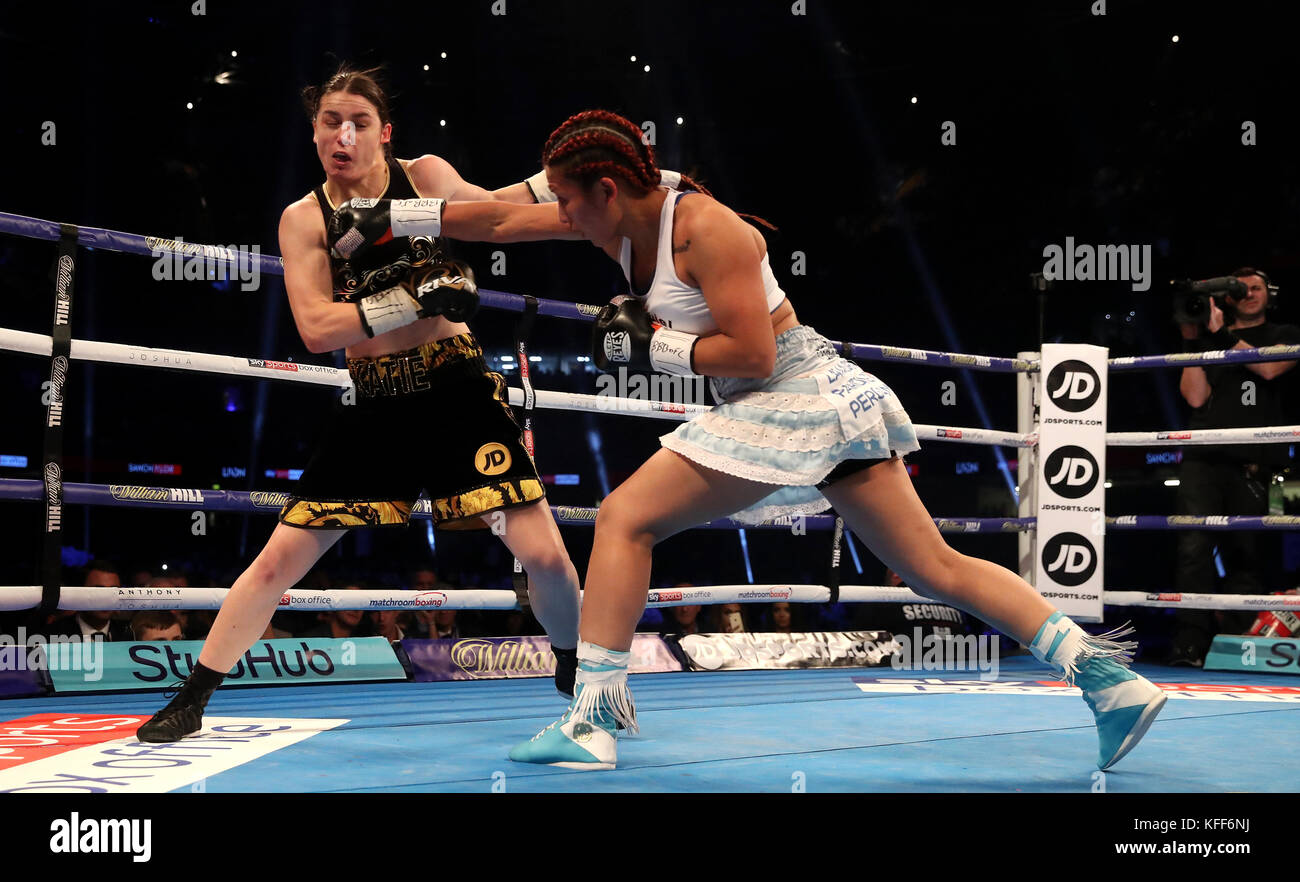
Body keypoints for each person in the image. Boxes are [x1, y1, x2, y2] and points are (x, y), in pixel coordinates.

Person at [423, 109, 1166, 771]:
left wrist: (654, 349)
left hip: (792, 391)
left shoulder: (710, 229)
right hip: (810, 400)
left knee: (624, 518)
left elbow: (755, 356)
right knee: (934, 566)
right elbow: (492, 219)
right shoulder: (618, 214)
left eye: (567, 201)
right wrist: (386, 213)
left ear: (608, 190)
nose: (559, 214)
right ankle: (1111, 681)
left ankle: (592, 722)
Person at [136, 65, 585, 742]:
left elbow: (495, 215)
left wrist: (609, 215)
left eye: (360, 123)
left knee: (544, 554)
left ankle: (577, 665)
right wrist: (412, 299)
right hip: (375, 401)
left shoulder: (424, 176)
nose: (343, 135)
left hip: (455, 386)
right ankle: (193, 696)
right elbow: (318, 328)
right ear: (315, 131)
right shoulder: (303, 218)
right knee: (277, 561)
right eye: (330, 122)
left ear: (385, 133)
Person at [1173, 267, 1300, 665]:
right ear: (1226, 298)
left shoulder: (1286, 334)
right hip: (1203, 458)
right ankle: (1190, 643)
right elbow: (1194, 398)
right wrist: (1193, 339)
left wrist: (1224, 335)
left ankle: (1240, 641)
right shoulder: (1213, 340)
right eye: (1240, 288)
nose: (1249, 293)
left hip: (1252, 465)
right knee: (1194, 546)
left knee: (1248, 553)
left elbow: (1269, 368)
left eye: (1257, 287)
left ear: (1270, 294)